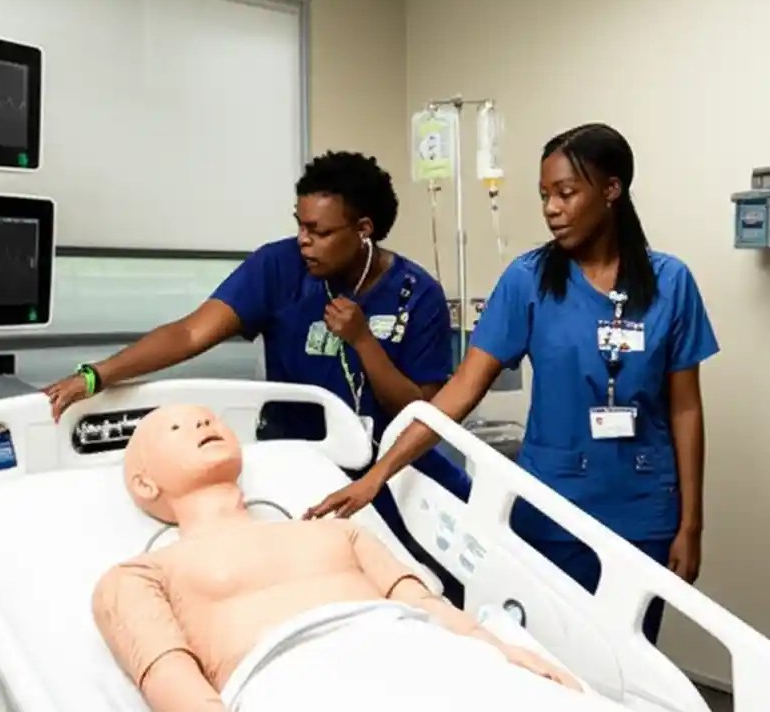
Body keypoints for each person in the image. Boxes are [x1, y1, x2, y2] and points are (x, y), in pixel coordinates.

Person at [306, 123, 719, 644]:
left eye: (566, 193)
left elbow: (686, 409)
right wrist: (380, 473)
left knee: (630, 663)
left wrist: (691, 523)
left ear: (611, 190)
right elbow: (459, 391)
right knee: (550, 660)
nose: (551, 208)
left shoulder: (669, 283)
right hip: (550, 505)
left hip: (643, 509)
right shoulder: (529, 280)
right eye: (545, 195)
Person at [42, 151, 469, 597]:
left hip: (394, 471)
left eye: (320, 232)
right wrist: (97, 375)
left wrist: (364, 342)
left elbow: (422, 413)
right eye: (300, 225)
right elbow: (190, 333)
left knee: (440, 583)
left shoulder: (416, 294)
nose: (304, 240)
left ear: (363, 231)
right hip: (303, 464)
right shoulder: (279, 268)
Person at [93, 404, 592, 712]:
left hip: (426, 652)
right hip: (298, 681)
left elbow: (427, 604)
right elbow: (172, 681)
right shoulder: (138, 576)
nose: (202, 420)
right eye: (177, 426)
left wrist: (504, 653)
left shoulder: (338, 534)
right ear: (143, 482)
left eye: (207, 415)